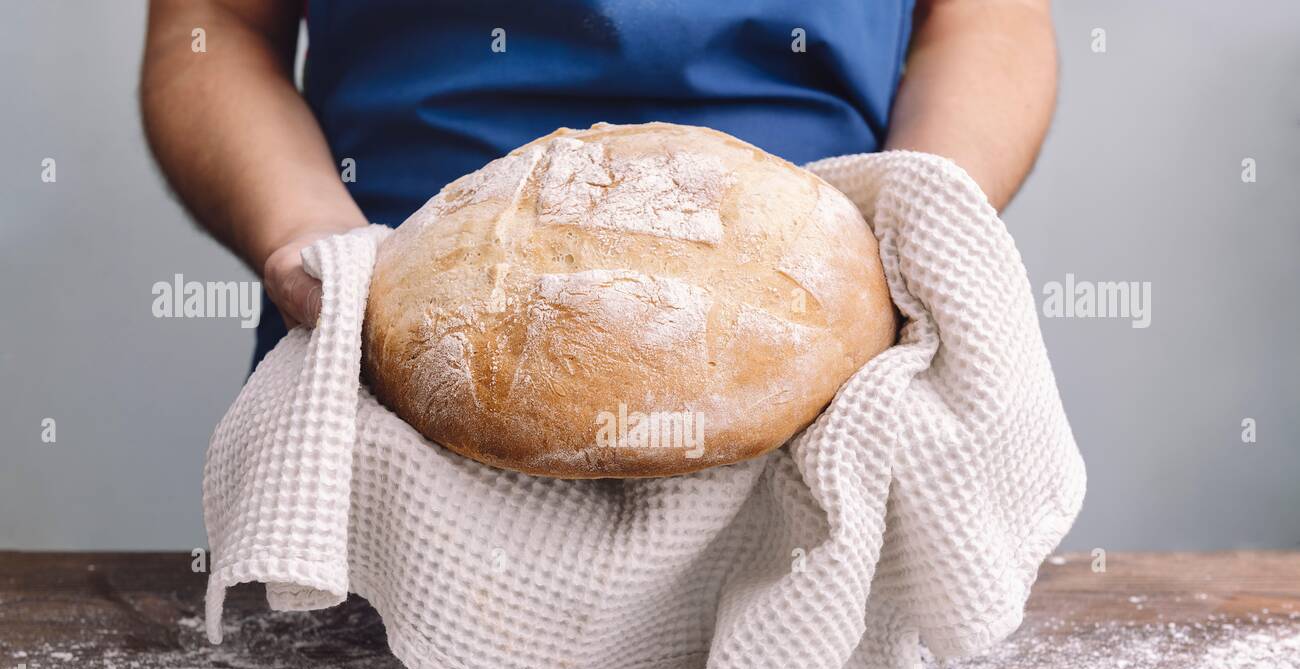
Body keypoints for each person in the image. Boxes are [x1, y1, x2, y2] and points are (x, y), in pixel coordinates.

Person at [140, 0, 1056, 371]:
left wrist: (917, 230)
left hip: (828, 347)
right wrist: (313, 236)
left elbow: (985, 24)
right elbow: (215, 24)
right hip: (394, 344)